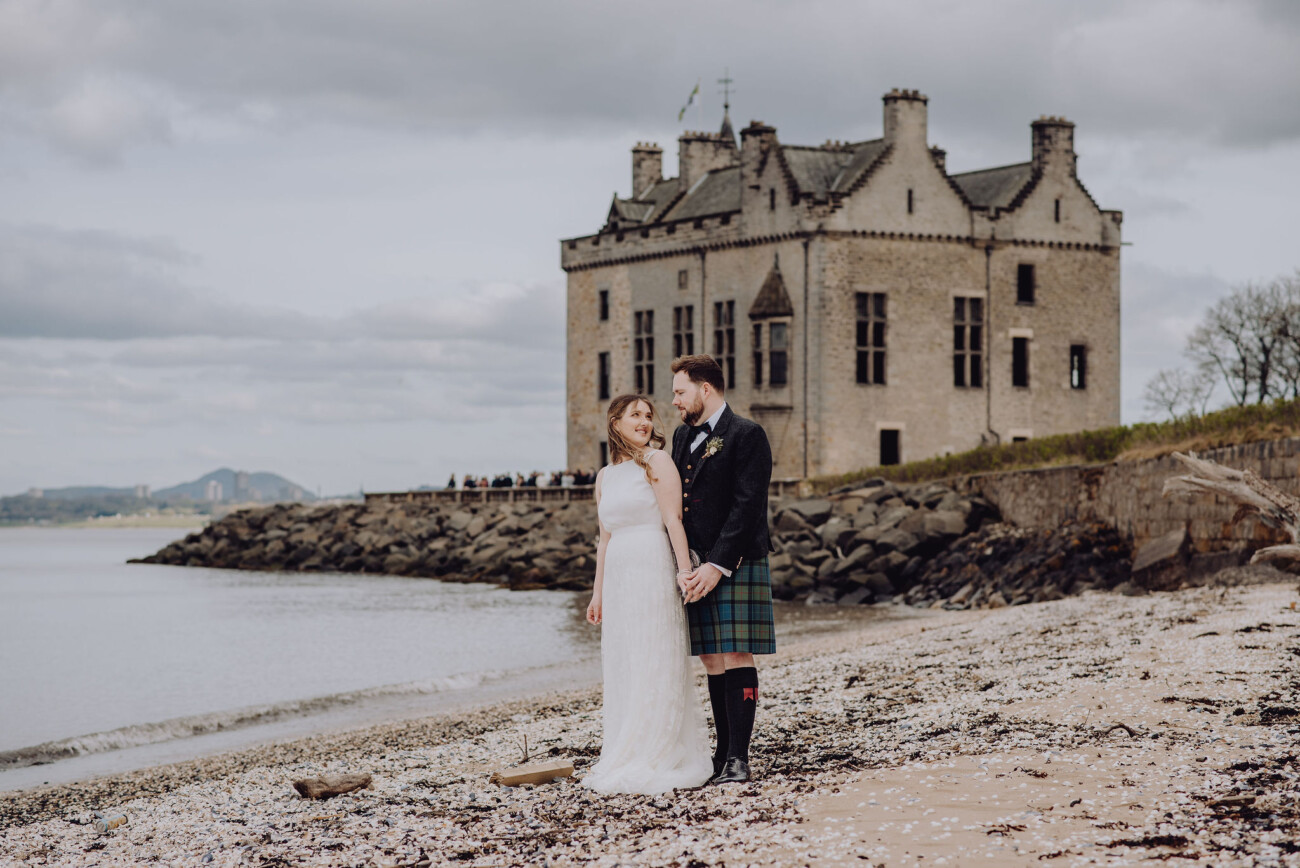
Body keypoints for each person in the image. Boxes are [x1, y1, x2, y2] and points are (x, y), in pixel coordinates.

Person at [582, 394, 713, 794]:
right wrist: (597, 592)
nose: (643, 421)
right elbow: (604, 540)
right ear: (615, 422)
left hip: (653, 565)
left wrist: (684, 572)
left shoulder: (657, 461)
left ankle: (658, 747)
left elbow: (674, 520)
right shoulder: (605, 476)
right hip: (620, 573)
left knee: (654, 653)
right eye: (634, 415)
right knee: (626, 659)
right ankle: (627, 744)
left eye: (647, 415)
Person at [671, 354, 775, 785]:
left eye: (680, 391)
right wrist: (686, 562)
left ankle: (739, 758)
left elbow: (748, 506)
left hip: (736, 561)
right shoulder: (681, 437)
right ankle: (721, 753)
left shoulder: (747, 434)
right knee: (712, 657)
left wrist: (718, 564)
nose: (675, 400)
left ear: (705, 389)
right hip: (695, 564)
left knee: (736, 653)